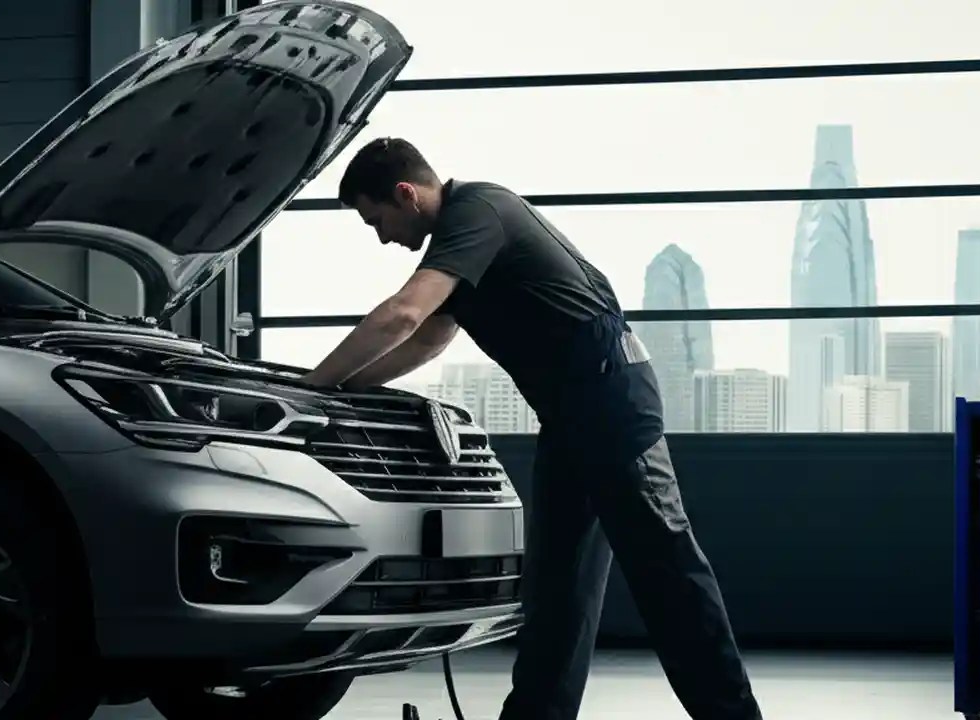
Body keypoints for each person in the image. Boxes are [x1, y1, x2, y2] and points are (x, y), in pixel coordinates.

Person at [300, 137, 764, 720]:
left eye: (378, 220)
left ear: (405, 194)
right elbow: (428, 337)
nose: (382, 237)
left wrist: (315, 387)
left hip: (610, 396)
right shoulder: (459, 239)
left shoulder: (477, 210)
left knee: (667, 570)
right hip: (569, 413)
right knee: (558, 585)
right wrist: (350, 388)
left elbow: (403, 313)